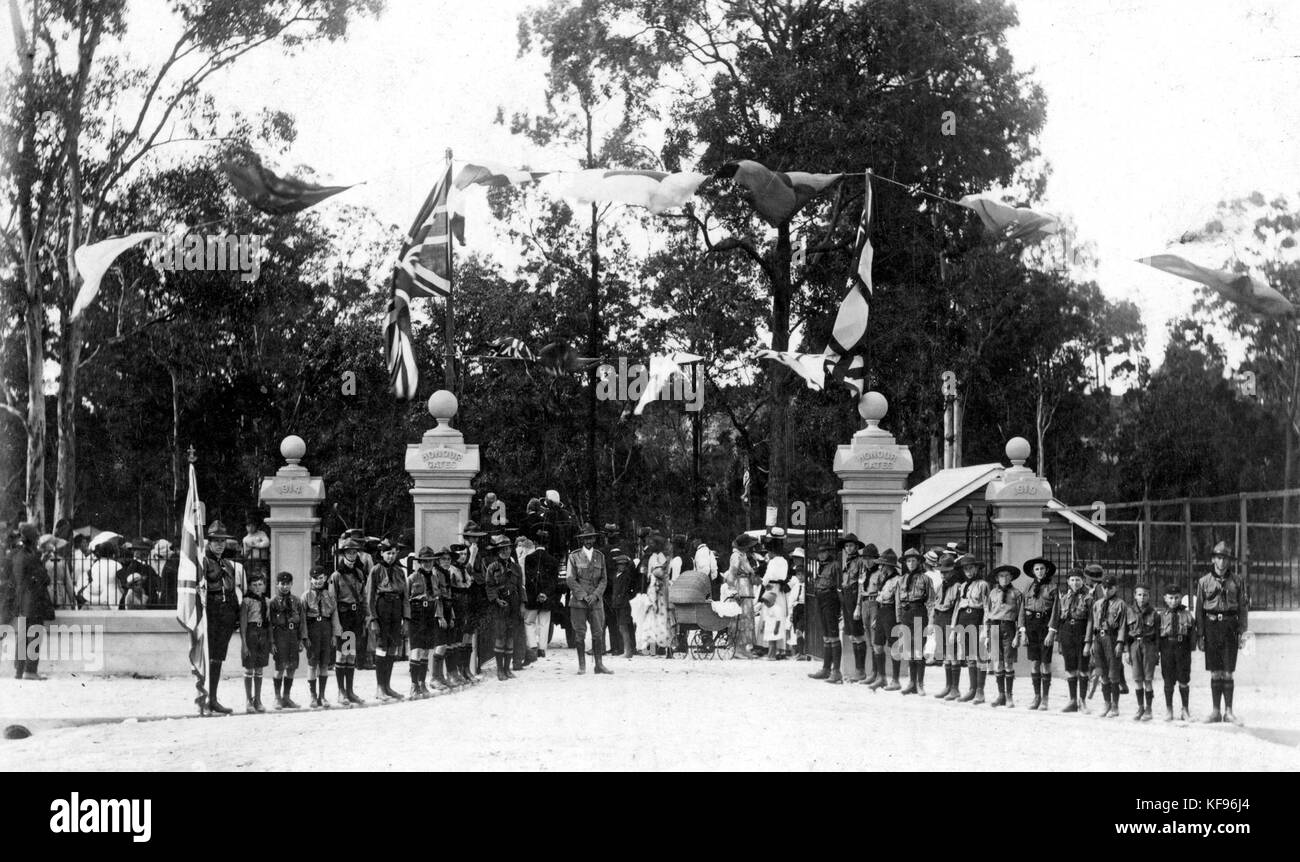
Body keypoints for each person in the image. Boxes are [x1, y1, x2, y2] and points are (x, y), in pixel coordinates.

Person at [1195, 541, 1249, 724]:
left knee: (1228, 671)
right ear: (1213, 559)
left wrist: (1243, 633)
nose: (1222, 562)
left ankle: (1229, 711)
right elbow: (1199, 611)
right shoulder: (1203, 582)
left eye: (1225, 558)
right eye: (1219, 558)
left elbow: (1243, 608)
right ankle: (1215, 711)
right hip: (1211, 627)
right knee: (1215, 672)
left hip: (1229, 627)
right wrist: (1200, 635)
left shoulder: (1238, 581)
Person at [201, 521, 242, 713]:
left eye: (222, 541)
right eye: (215, 540)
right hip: (210, 614)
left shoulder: (228, 565)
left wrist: (234, 615)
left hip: (225, 615)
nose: (219, 544)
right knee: (207, 657)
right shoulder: (203, 562)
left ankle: (214, 699)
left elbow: (232, 590)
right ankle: (204, 699)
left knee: (218, 658)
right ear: (209, 542)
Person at [367, 538, 410, 701]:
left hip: (396, 608)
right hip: (382, 607)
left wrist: (406, 619)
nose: (391, 556)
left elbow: (405, 596)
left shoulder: (400, 571)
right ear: (381, 553)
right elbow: (369, 596)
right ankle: (379, 687)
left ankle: (387, 685)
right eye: (388, 553)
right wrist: (373, 619)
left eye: (393, 553)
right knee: (381, 646)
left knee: (393, 647)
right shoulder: (376, 570)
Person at [566, 523, 612, 675]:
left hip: (596, 602)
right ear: (581, 540)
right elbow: (570, 579)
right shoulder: (574, 556)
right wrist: (583, 596)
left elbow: (604, 580)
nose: (589, 541)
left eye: (591, 538)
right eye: (586, 538)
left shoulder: (600, 556)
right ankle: (582, 666)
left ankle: (599, 665)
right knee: (580, 633)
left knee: (598, 633)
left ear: (594, 538)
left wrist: (595, 595)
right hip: (579, 602)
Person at [330, 538, 369, 706]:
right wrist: (337, 625)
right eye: (348, 552)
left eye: (354, 552)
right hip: (344, 617)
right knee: (343, 654)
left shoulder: (360, 573)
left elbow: (363, 596)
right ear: (343, 554)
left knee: (351, 654)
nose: (352, 555)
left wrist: (367, 614)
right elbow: (333, 602)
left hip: (356, 617)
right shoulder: (336, 575)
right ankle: (341, 691)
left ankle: (350, 691)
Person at [408, 546, 451, 697]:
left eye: (430, 561)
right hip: (416, 615)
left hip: (429, 614)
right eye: (424, 561)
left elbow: (438, 598)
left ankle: (422, 683)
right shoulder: (413, 578)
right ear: (420, 562)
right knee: (416, 650)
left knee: (426, 651)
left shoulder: (434, 578)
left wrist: (439, 615)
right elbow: (406, 600)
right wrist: (405, 619)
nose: (427, 564)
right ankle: (414, 686)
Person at [10, 524, 52, 679]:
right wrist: (42, 563)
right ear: (33, 539)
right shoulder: (32, 557)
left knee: (22, 636)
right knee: (34, 635)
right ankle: (30, 671)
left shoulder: (18, 555)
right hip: (34, 601)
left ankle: (19, 670)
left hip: (21, 600)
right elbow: (44, 579)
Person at [895, 547, 936, 695]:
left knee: (919, 649)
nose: (911, 563)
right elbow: (897, 602)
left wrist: (931, 622)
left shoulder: (926, 579)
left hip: (919, 612)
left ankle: (920, 684)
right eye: (908, 561)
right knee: (909, 650)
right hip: (906, 615)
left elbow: (931, 602)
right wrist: (899, 621)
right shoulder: (901, 580)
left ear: (919, 562)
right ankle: (911, 682)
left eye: (913, 560)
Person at [1086, 573, 1126, 719]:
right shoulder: (1097, 604)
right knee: (1102, 673)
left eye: (1110, 588)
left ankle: (1115, 706)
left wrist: (1120, 643)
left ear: (1116, 588)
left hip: (1112, 638)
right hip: (1098, 638)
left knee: (1113, 674)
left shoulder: (1120, 604)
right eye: (1104, 588)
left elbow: (1122, 626)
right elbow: (1092, 624)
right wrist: (1090, 642)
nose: (1107, 590)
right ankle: (1106, 703)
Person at [1021, 557, 1059, 710]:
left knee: (1045, 662)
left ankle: (1045, 698)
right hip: (1031, 626)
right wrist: (1022, 631)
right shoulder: (1028, 587)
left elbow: (1056, 611)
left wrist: (1051, 632)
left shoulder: (1052, 587)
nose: (1039, 572)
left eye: (1042, 569)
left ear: (1046, 570)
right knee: (1035, 662)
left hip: (1045, 626)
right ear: (1033, 571)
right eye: (1037, 569)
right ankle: (1036, 696)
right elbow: (1022, 610)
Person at [984, 564, 1023, 708]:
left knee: (1008, 662)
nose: (1004, 579)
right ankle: (1000, 695)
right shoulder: (992, 593)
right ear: (996, 578)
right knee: (997, 662)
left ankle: (1009, 696)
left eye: (1007, 576)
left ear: (1011, 577)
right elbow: (987, 613)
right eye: (1001, 576)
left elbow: (1020, 616)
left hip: (1009, 628)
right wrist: (987, 634)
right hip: (994, 627)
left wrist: (1017, 635)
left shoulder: (1016, 593)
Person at [953, 554, 990, 703]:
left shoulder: (983, 584)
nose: (968, 571)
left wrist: (985, 629)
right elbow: (957, 608)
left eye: (971, 568)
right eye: (965, 569)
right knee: (969, 656)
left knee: (980, 656)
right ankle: (972, 689)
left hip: (977, 619)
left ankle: (980, 691)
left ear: (976, 568)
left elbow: (987, 607)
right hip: (964, 620)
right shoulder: (962, 586)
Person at [485, 534, 523, 680]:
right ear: (497, 551)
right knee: (500, 636)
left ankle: (507, 669)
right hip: (500, 605)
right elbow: (489, 586)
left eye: (507, 549)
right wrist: (496, 600)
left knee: (511, 636)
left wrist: (522, 605)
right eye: (502, 549)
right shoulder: (492, 568)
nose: (505, 552)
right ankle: (500, 670)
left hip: (513, 603)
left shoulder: (516, 568)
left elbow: (521, 587)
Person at [268, 571, 307, 710]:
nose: (285, 587)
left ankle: (287, 697)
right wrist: (271, 643)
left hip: (293, 636)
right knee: (280, 668)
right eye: (282, 584)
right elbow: (269, 624)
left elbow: (302, 621)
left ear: (291, 584)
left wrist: (302, 639)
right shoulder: (272, 602)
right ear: (277, 584)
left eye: (287, 584)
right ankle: (277, 698)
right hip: (280, 635)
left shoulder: (297, 601)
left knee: (291, 667)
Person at [1157, 582, 1195, 722]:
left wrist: (1191, 649)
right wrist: (1158, 652)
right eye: (1171, 598)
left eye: (1177, 598)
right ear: (1165, 598)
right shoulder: (1160, 616)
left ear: (1181, 598)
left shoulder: (1187, 614)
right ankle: (1169, 709)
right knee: (1168, 680)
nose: (1174, 601)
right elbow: (1157, 636)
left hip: (1182, 648)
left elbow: (1192, 632)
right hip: (1167, 648)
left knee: (1184, 679)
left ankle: (1185, 709)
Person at [1056, 566, 1092, 713]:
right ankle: (1072, 701)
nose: (1075, 582)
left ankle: (1082, 701)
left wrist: (1088, 642)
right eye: (1072, 580)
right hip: (1067, 634)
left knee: (1083, 669)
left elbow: (1091, 620)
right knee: (1070, 668)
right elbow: (1059, 619)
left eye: (1078, 580)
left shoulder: (1089, 598)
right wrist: (1059, 640)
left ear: (1082, 581)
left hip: (1082, 633)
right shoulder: (1064, 597)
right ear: (1068, 581)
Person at [303, 566, 339, 708]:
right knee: (312, 664)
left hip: (326, 629)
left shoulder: (330, 595)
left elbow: (334, 615)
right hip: (312, 630)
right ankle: (313, 696)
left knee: (324, 664)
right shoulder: (306, 596)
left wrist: (335, 634)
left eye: (321, 578)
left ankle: (322, 696)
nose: (318, 581)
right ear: (310, 579)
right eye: (315, 578)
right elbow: (302, 618)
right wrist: (305, 637)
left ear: (325, 579)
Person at [807, 540, 841, 682]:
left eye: (824, 552)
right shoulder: (821, 567)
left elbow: (839, 587)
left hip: (831, 599)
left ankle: (836, 671)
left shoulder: (835, 566)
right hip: (820, 599)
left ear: (829, 553)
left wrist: (840, 607)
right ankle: (826, 668)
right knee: (826, 635)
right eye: (820, 553)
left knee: (833, 635)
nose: (821, 555)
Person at [1124, 584, 1159, 721]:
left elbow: (1157, 635)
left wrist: (1157, 652)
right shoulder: (1129, 612)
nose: (1142, 597)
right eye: (1139, 594)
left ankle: (1149, 708)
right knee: (1137, 678)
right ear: (1134, 595)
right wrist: (1126, 651)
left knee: (1148, 679)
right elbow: (1126, 633)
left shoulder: (1154, 613)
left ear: (1149, 596)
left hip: (1149, 646)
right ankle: (1140, 707)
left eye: (1145, 595)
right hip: (1134, 645)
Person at [869, 548, 903, 691]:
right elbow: (879, 599)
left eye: (883, 565)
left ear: (889, 566)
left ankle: (895, 680)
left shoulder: (898, 580)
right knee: (877, 645)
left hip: (891, 613)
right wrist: (876, 617)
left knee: (894, 646)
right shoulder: (883, 579)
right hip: (882, 612)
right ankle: (881, 677)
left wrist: (899, 621)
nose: (880, 567)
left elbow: (898, 602)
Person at [931, 553, 963, 700]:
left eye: (946, 572)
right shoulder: (939, 586)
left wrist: (954, 628)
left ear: (953, 571)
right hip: (940, 620)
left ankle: (955, 688)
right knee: (945, 655)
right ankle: (948, 686)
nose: (944, 575)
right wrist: (932, 623)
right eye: (942, 572)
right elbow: (934, 605)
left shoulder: (958, 587)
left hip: (951, 620)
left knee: (953, 654)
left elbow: (957, 608)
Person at [239, 571, 272, 714]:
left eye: (260, 584)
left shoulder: (268, 602)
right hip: (251, 632)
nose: (257, 588)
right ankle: (248, 700)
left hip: (263, 634)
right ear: (250, 587)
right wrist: (244, 643)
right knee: (249, 668)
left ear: (264, 586)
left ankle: (258, 699)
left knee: (259, 668)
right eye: (254, 585)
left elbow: (269, 623)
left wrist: (270, 641)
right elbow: (243, 624)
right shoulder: (246, 601)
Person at [522, 535, 557, 663]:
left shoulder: (529, 558)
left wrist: (537, 593)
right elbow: (554, 582)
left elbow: (528, 579)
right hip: (546, 597)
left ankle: (532, 646)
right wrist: (544, 594)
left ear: (535, 543)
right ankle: (542, 648)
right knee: (544, 623)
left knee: (529, 622)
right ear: (547, 544)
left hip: (532, 597)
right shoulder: (553, 560)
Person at [447, 542, 478, 684]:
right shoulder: (451, 570)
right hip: (457, 603)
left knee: (467, 637)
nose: (463, 557)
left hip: (468, 602)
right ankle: (456, 671)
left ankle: (465, 669)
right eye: (460, 554)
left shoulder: (465, 569)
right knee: (457, 638)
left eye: (465, 554)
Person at [758, 528, 790, 659]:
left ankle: (770, 650)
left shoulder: (772, 562)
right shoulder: (784, 560)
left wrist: (762, 583)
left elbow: (766, 579)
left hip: (771, 591)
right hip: (780, 592)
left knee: (769, 617)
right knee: (779, 617)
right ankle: (780, 649)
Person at [606, 548, 639, 659]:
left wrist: (622, 599)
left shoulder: (625, 576)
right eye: (619, 564)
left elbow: (626, 590)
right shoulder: (617, 575)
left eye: (623, 564)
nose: (621, 566)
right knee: (622, 627)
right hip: (618, 604)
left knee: (624, 627)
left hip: (623, 604)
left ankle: (628, 651)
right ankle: (627, 649)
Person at [788, 547, 808, 659]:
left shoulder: (806, 586)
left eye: (802, 575)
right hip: (796, 608)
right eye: (798, 575)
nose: (800, 577)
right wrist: (791, 612)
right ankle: (800, 652)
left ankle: (803, 652)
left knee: (800, 630)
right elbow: (791, 599)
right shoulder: (796, 585)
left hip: (804, 607)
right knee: (796, 630)